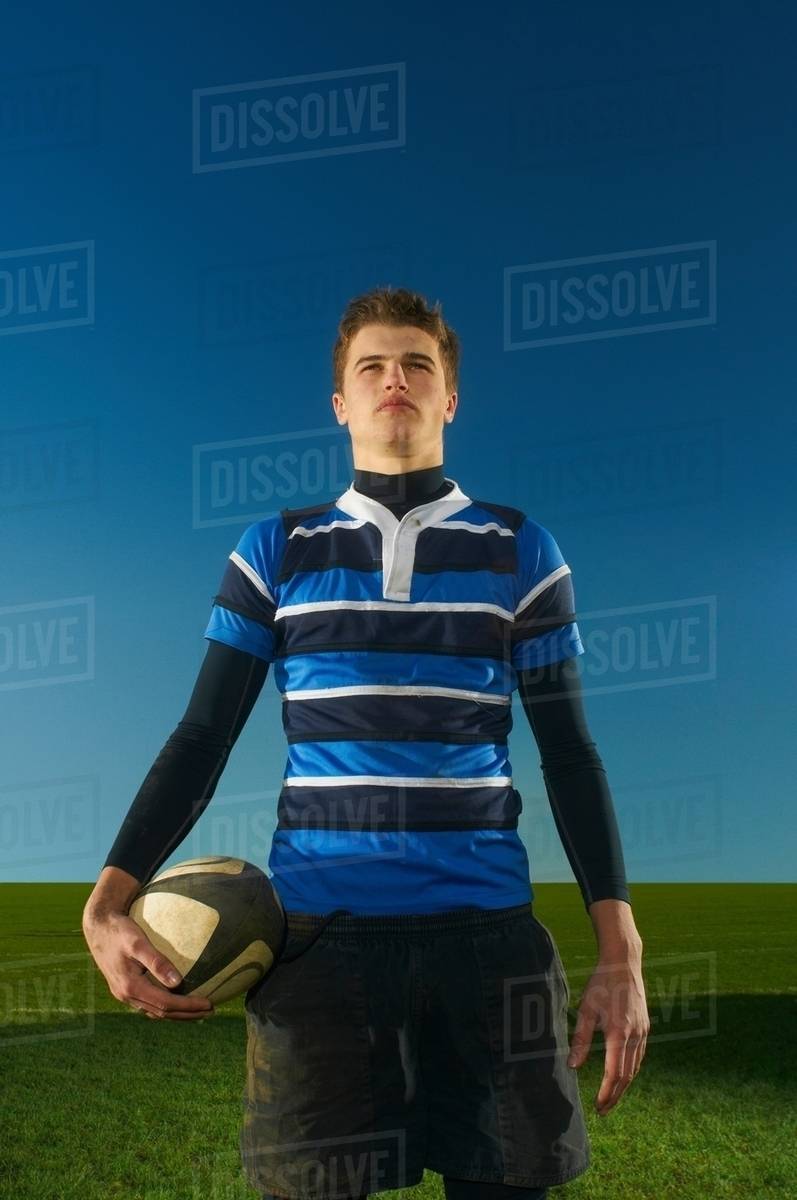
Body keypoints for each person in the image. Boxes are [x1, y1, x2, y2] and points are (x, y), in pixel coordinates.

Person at [82, 286, 650, 1200]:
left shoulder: (521, 549)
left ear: (450, 398)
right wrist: (104, 902)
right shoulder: (275, 549)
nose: (396, 380)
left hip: (487, 945)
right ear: (340, 402)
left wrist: (618, 955)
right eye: (372, 367)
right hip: (317, 951)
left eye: (417, 364)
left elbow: (572, 757)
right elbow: (201, 736)